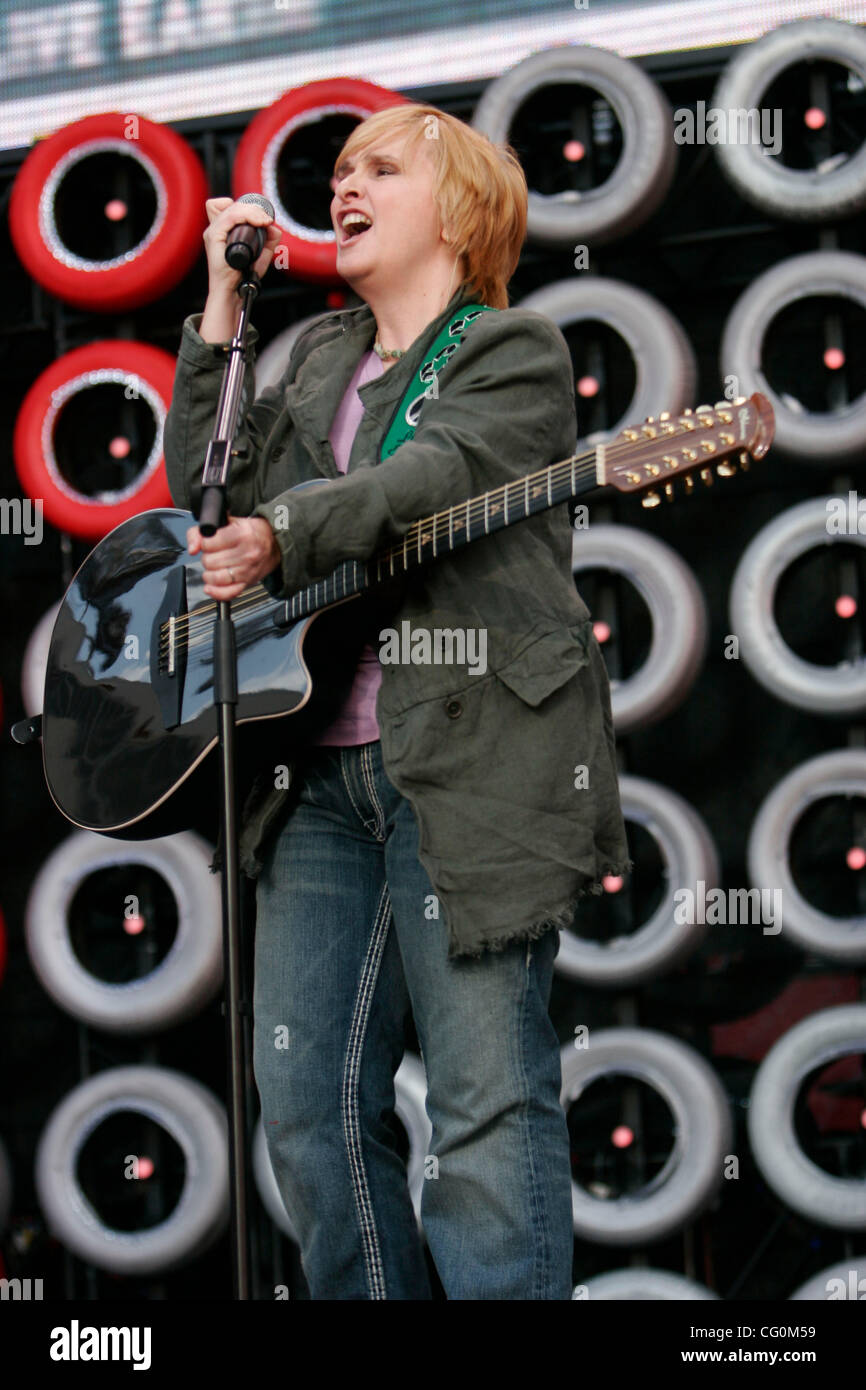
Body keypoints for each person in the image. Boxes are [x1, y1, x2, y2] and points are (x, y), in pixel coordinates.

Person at [162, 101, 631, 1300]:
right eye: (339, 174)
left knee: (483, 1104)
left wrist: (286, 531)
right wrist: (222, 304)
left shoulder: (508, 350)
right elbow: (203, 492)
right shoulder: (316, 355)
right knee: (305, 1107)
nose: (341, 188)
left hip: (467, 762)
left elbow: (430, 477)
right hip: (313, 776)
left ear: (459, 211)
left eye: (379, 170)